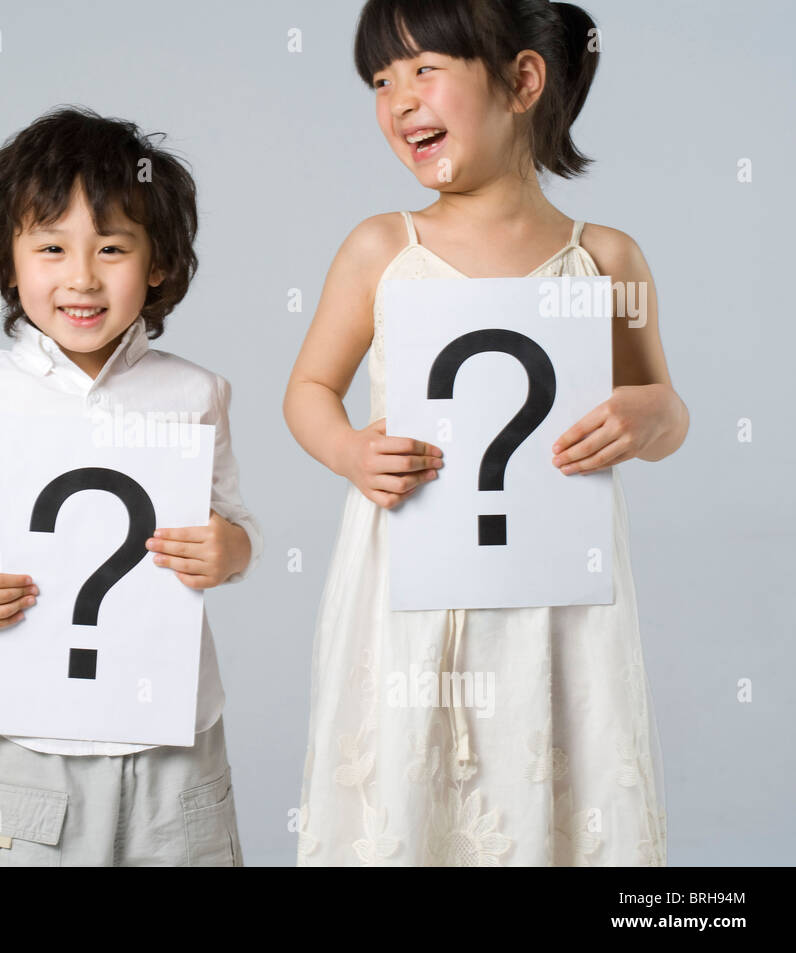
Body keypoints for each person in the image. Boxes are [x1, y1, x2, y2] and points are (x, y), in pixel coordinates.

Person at [284, 0, 687, 865]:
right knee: (403, 788)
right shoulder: (380, 249)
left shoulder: (606, 258)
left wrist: (652, 415)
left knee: (550, 782)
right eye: (380, 81)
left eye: (424, 68)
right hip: (412, 582)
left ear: (522, 81)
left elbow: (664, 406)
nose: (398, 100)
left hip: (557, 593)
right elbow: (310, 391)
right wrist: (352, 450)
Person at [0, 106, 261, 866]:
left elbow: (235, 523)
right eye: (51, 248)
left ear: (158, 261)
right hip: (30, 744)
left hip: (175, 740)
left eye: (111, 247)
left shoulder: (197, 393)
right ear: (9, 260)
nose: (81, 277)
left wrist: (228, 549)